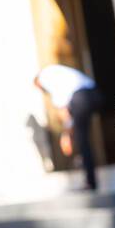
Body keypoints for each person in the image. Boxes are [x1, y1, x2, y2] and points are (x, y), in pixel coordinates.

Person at [33, 62, 102, 190]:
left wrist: (66, 136)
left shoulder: (45, 78)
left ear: (38, 82)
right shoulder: (55, 71)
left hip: (81, 97)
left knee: (81, 140)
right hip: (93, 94)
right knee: (82, 137)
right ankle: (88, 173)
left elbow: (63, 110)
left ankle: (90, 181)